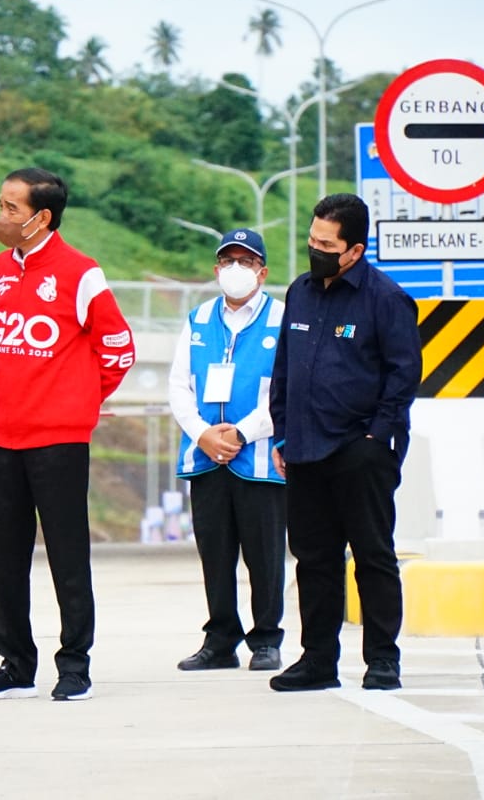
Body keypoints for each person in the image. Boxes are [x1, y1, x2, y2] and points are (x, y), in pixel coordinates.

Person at [0, 167, 134, 703]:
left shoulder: (81, 273)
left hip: (59, 439)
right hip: (4, 435)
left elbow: (119, 349)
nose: (1, 216)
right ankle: (15, 663)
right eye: (0, 203)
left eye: (12, 208)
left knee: (66, 553)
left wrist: (79, 400)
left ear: (42, 217)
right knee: (8, 556)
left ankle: (75, 665)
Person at [268, 193, 422, 693]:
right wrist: (282, 430)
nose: (315, 249)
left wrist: (378, 436)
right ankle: (317, 661)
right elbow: (285, 369)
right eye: (312, 239)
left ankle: (382, 659)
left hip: (360, 451)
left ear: (354, 250)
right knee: (313, 561)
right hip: (305, 449)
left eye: (326, 244)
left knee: (373, 556)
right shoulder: (300, 292)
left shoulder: (386, 299)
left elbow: (404, 377)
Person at [168, 229, 286, 675]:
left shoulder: (281, 318)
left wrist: (239, 432)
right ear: (217, 269)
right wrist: (203, 434)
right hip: (205, 459)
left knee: (264, 555)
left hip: (258, 458)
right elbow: (179, 386)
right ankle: (220, 640)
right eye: (228, 260)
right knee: (215, 554)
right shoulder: (198, 319)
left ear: (262, 271)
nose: (235, 268)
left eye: (246, 260)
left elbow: (284, 390)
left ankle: (266, 640)